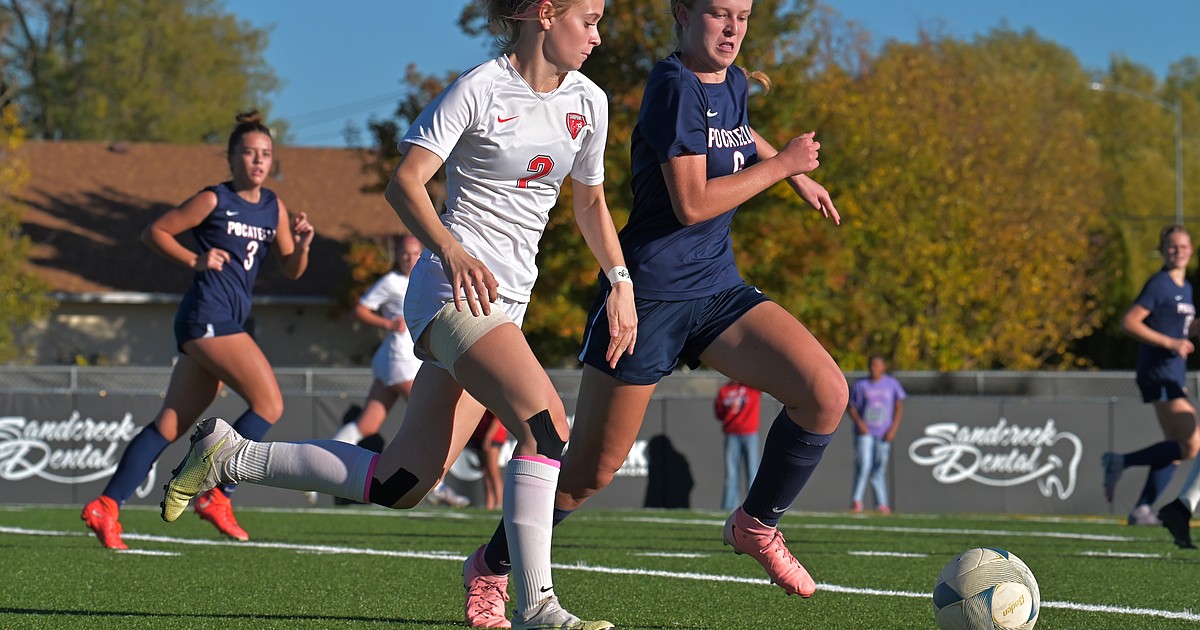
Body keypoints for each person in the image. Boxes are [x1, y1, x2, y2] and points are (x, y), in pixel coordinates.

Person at [159, 1, 632, 628]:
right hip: (448, 291)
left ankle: (231, 456)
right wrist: (452, 249)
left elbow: (592, 203)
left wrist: (619, 280)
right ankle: (536, 605)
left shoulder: (589, 101)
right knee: (545, 426)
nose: (599, 36)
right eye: (590, 19)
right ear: (544, 14)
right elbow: (405, 182)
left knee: (402, 482)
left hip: (504, 306)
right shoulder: (479, 87)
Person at [462, 0, 846, 618]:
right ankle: (491, 567)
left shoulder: (735, 82)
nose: (732, 29)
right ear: (683, 13)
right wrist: (783, 167)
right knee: (589, 473)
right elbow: (692, 203)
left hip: (717, 291)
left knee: (825, 391)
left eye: (743, 16)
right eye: (719, 14)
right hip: (647, 299)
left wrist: (793, 174)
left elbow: (736, 132)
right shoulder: (671, 85)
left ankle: (755, 524)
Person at [80, 110, 315, 549]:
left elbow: (292, 269)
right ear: (231, 158)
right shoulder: (214, 199)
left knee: (169, 425)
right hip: (207, 315)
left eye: (265, 154)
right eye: (248, 153)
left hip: (221, 323)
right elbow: (157, 232)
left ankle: (106, 505)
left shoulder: (273, 207)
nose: (258, 161)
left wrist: (301, 245)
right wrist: (195, 260)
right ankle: (218, 494)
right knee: (269, 403)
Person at [304, 234, 469, 508]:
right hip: (399, 359)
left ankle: (315, 472)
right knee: (431, 419)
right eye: (404, 253)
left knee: (366, 425)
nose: (409, 258)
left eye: (414, 253)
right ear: (397, 256)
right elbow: (360, 309)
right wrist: (388, 324)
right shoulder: (391, 282)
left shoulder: (425, 278)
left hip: (399, 361)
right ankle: (439, 489)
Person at [1101, 224, 1200, 527]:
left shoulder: (1186, 288)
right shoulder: (1159, 284)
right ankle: (1120, 461)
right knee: (1192, 443)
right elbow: (1129, 322)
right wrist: (1170, 343)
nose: (1178, 251)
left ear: (1191, 249)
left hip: (1172, 372)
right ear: (1162, 250)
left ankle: (1142, 509)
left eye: (1182, 246)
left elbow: (1185, 327)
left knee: (1176, 447)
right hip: (1159, 371)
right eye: (1171, 246)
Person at [846, 355, 905, 514]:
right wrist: (859, 423)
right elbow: (851, 405)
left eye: (877, 365)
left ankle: (881, 503)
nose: (874, 368)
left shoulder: (891, 384)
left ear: (883, 367)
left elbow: (898, 405)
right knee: (863, 465)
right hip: (865, 432)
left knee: (879, 468)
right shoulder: (861, 385)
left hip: (884, 431)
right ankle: (857, 501)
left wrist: (893, 428)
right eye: (872, 365)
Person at [714, 380, 762, 510]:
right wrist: (730, 409)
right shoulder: (724, 390)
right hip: (731, 434)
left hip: (750, 433)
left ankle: (754, 508)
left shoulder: (752, 386)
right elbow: (719, 413)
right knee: (731, 473)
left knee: (752, 471)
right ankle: (729, 506)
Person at [470, 410, 510, 510]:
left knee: (493, 471)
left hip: (493, 437)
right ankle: (490, 504)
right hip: (480, 435)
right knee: (485, 472)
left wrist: (488, 437)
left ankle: (499, 503)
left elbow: (497, 419)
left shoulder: (491, 397)